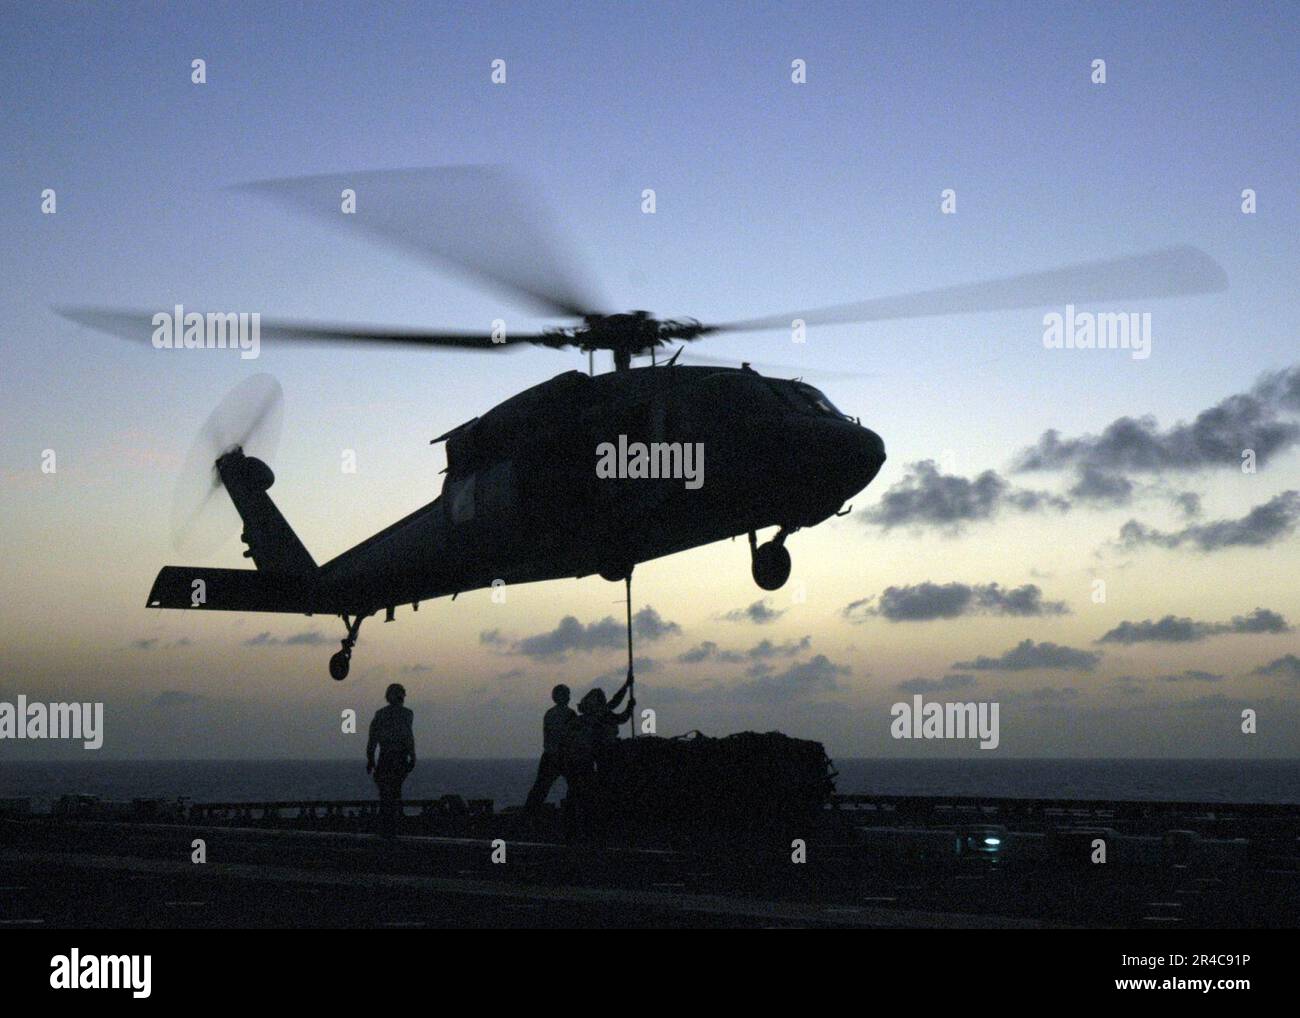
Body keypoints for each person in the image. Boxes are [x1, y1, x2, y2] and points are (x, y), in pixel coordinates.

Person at [561, 671, 635, 842]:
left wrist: (625, 685)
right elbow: (621, 717)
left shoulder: (582, 719)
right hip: (597, 757)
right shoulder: (599, 716)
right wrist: (630, 706)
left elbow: (614, 702)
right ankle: (595, 827)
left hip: (578, 760)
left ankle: (578, 826)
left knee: (578, 793)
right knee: (597, 792)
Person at [366, 683, 416, 840]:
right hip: (399, 758)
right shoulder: (407, 714)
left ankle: (386, 828)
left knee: (385, 794)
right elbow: (408, 736)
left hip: (386, 757)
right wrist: (412, 755)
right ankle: (391, 828)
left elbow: (372, 739)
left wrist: (370, 759)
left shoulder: (380, 714)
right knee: (394, 792)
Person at [524, 684, 576, 813]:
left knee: (541, 787)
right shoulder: (570, 714)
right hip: (562, 756)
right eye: (566, 694)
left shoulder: (549, 714)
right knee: (575, 784)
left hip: (550, 755)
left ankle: (529, 812)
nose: (569, 697)